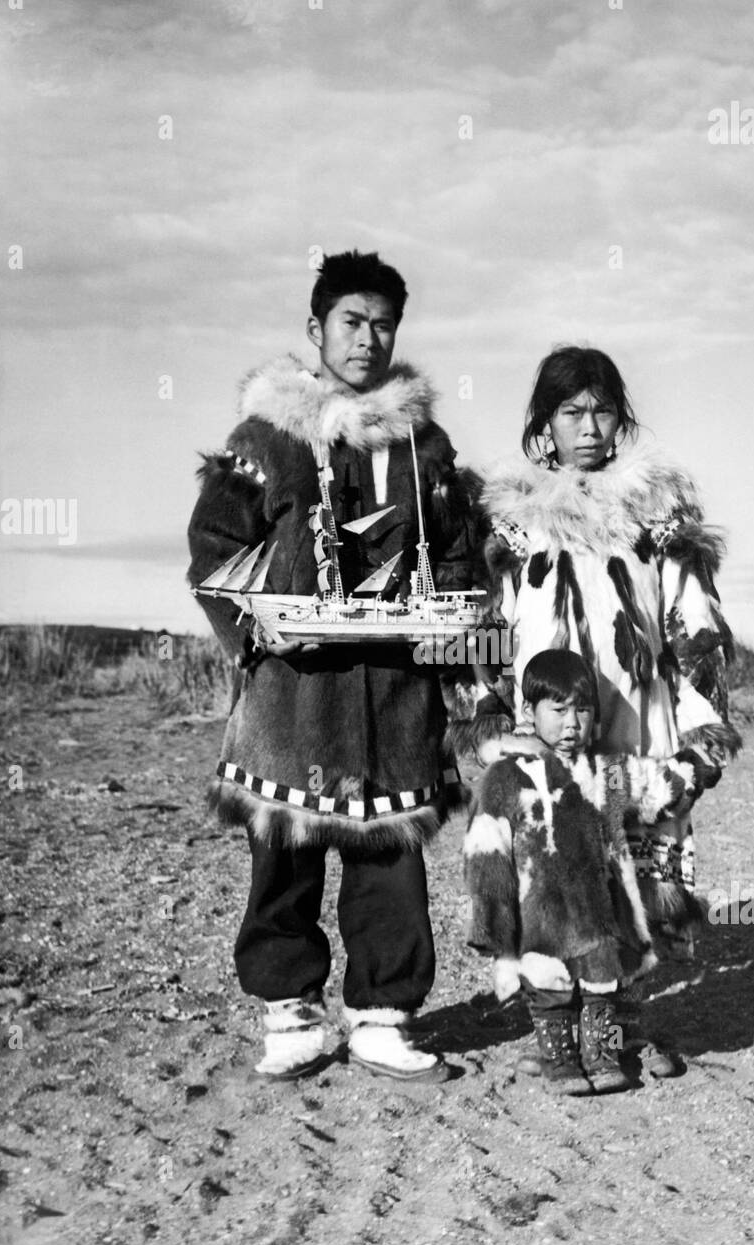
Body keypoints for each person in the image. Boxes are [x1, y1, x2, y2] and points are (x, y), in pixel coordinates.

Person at [186, 250, 480, 1083]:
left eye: (384, 324)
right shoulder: (266, 438)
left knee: (391, 859)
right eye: (353, 322)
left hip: (394, 695)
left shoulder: (424, 445)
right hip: (291, 698)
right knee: (284, 854)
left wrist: (448, 623)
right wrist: (259, 633)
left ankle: (384, 1016)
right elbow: (215, 549)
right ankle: (291, 1015)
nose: (369, 338)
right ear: (316, 330)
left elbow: (457, 551)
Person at [469, 346, 739, 1066]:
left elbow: (696, 624)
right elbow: (486, 632)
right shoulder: (512, 518)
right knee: (550, 872)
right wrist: (490, 714)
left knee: (637, 873)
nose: (588, 426)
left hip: (637, 724)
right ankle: (560, 1033)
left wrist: (704, 726)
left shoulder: (657, 510)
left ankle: (626, 1027)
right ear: (544, 424)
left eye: (602, 409)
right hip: (545, 729)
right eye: (571, 411)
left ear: (621, 418)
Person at [464, 649, 711, 1092]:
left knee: (603, 981)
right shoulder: (505, 780)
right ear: (527, 712)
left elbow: (654, 787)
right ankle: (558, 1058)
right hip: (540, 917)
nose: (571, 724)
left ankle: (601, 1053)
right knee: (548, 984)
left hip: (600, 916)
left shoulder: (604, 773)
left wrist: (693, 768)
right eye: (557, 711)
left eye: (582, 711)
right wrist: (494, 928)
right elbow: (486, 856)